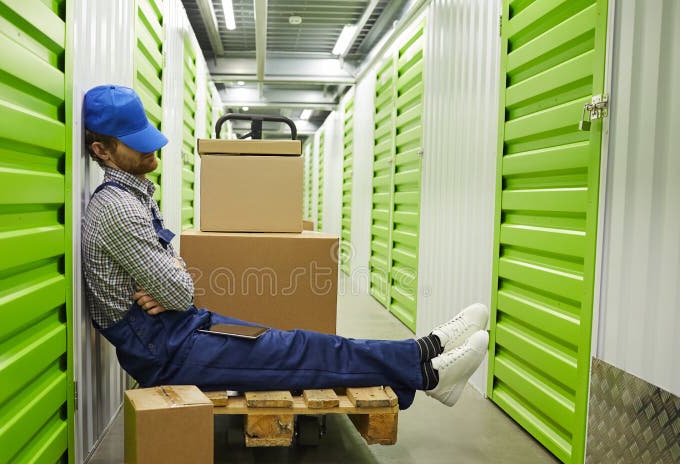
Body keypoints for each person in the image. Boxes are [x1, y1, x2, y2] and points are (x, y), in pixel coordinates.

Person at [81, 84, 489, 410]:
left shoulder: (135, 196)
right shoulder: (118, 208)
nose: (150, 148)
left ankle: (426, 360)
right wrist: (171, 285)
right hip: (163, 351)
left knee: (298, 344)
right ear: (102, 151)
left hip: (178, 327)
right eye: (135, 142)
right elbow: (180, 290)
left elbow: (174, 283)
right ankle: (427, 368)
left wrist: (170, 283)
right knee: (296, 354)